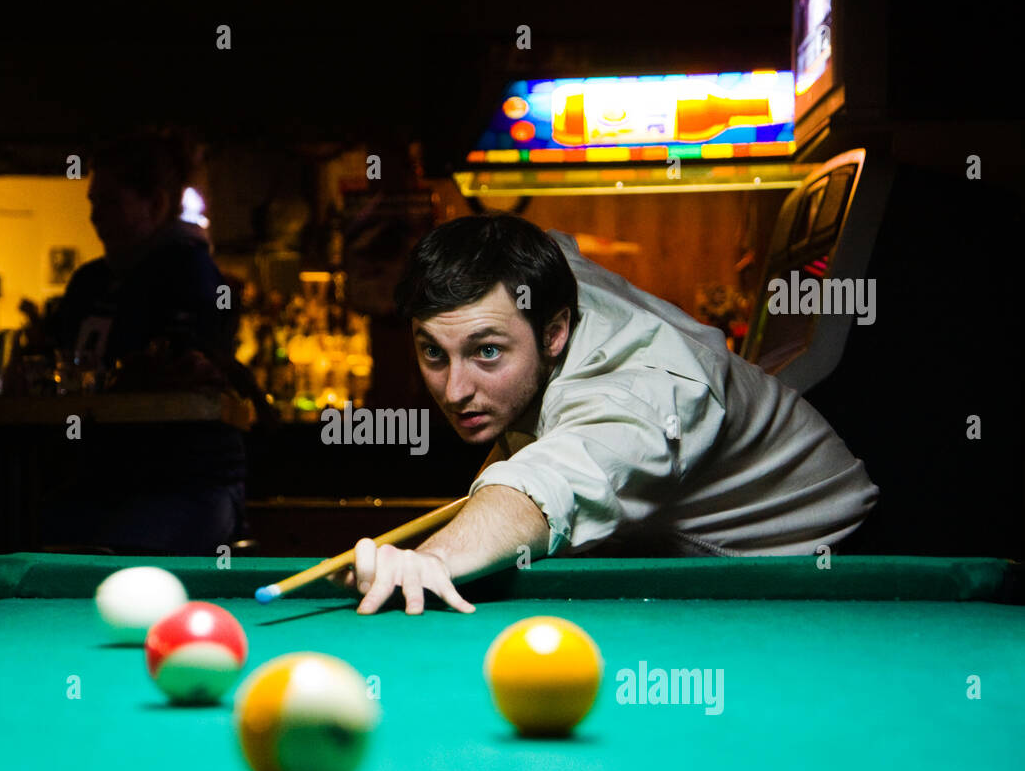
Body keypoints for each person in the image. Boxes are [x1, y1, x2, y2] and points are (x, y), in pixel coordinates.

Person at [337, 214, 879, 614]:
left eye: (486, 352)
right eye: (433, 351)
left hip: (832, 567)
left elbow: (551, 482)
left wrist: (434, 559)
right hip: (682, 547)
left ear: (555, 333)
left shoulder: (643, 395)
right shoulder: (536, 276)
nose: (455, 391)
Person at [37, 131, 246, 554]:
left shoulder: (193, 273)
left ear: (156, 204)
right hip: (101, 484)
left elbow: (190, 370)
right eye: (93, 203)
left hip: (187, 484)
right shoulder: (87, 281)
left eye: (110, 203)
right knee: (28, 546)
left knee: (106, 554)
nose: (96, 216)